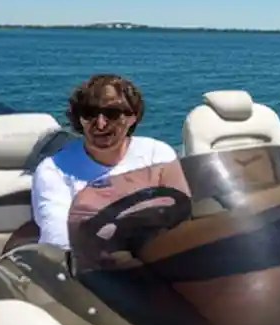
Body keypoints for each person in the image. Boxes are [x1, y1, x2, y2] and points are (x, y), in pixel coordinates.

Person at [31, 74, 181, 252]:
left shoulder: (158, 155)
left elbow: (182, 217)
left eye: (113, 114)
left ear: (133, 117)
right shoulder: (54, 170)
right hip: (89, 268)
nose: (100, 124)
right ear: (79, 118)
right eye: (89, 114)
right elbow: (60, 240)